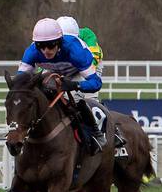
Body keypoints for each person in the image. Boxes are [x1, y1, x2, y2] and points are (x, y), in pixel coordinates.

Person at [19, 17, 106, 154]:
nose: (46, 51)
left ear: (59, 42)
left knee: (77, 100)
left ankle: (96, 134)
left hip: (80, 71)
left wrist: (75, 85)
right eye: (41, 46)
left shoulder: (75, 51)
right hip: (57, 70)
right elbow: (20, 82)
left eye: (51, 45)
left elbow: (96, 83)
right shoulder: (31, 53)